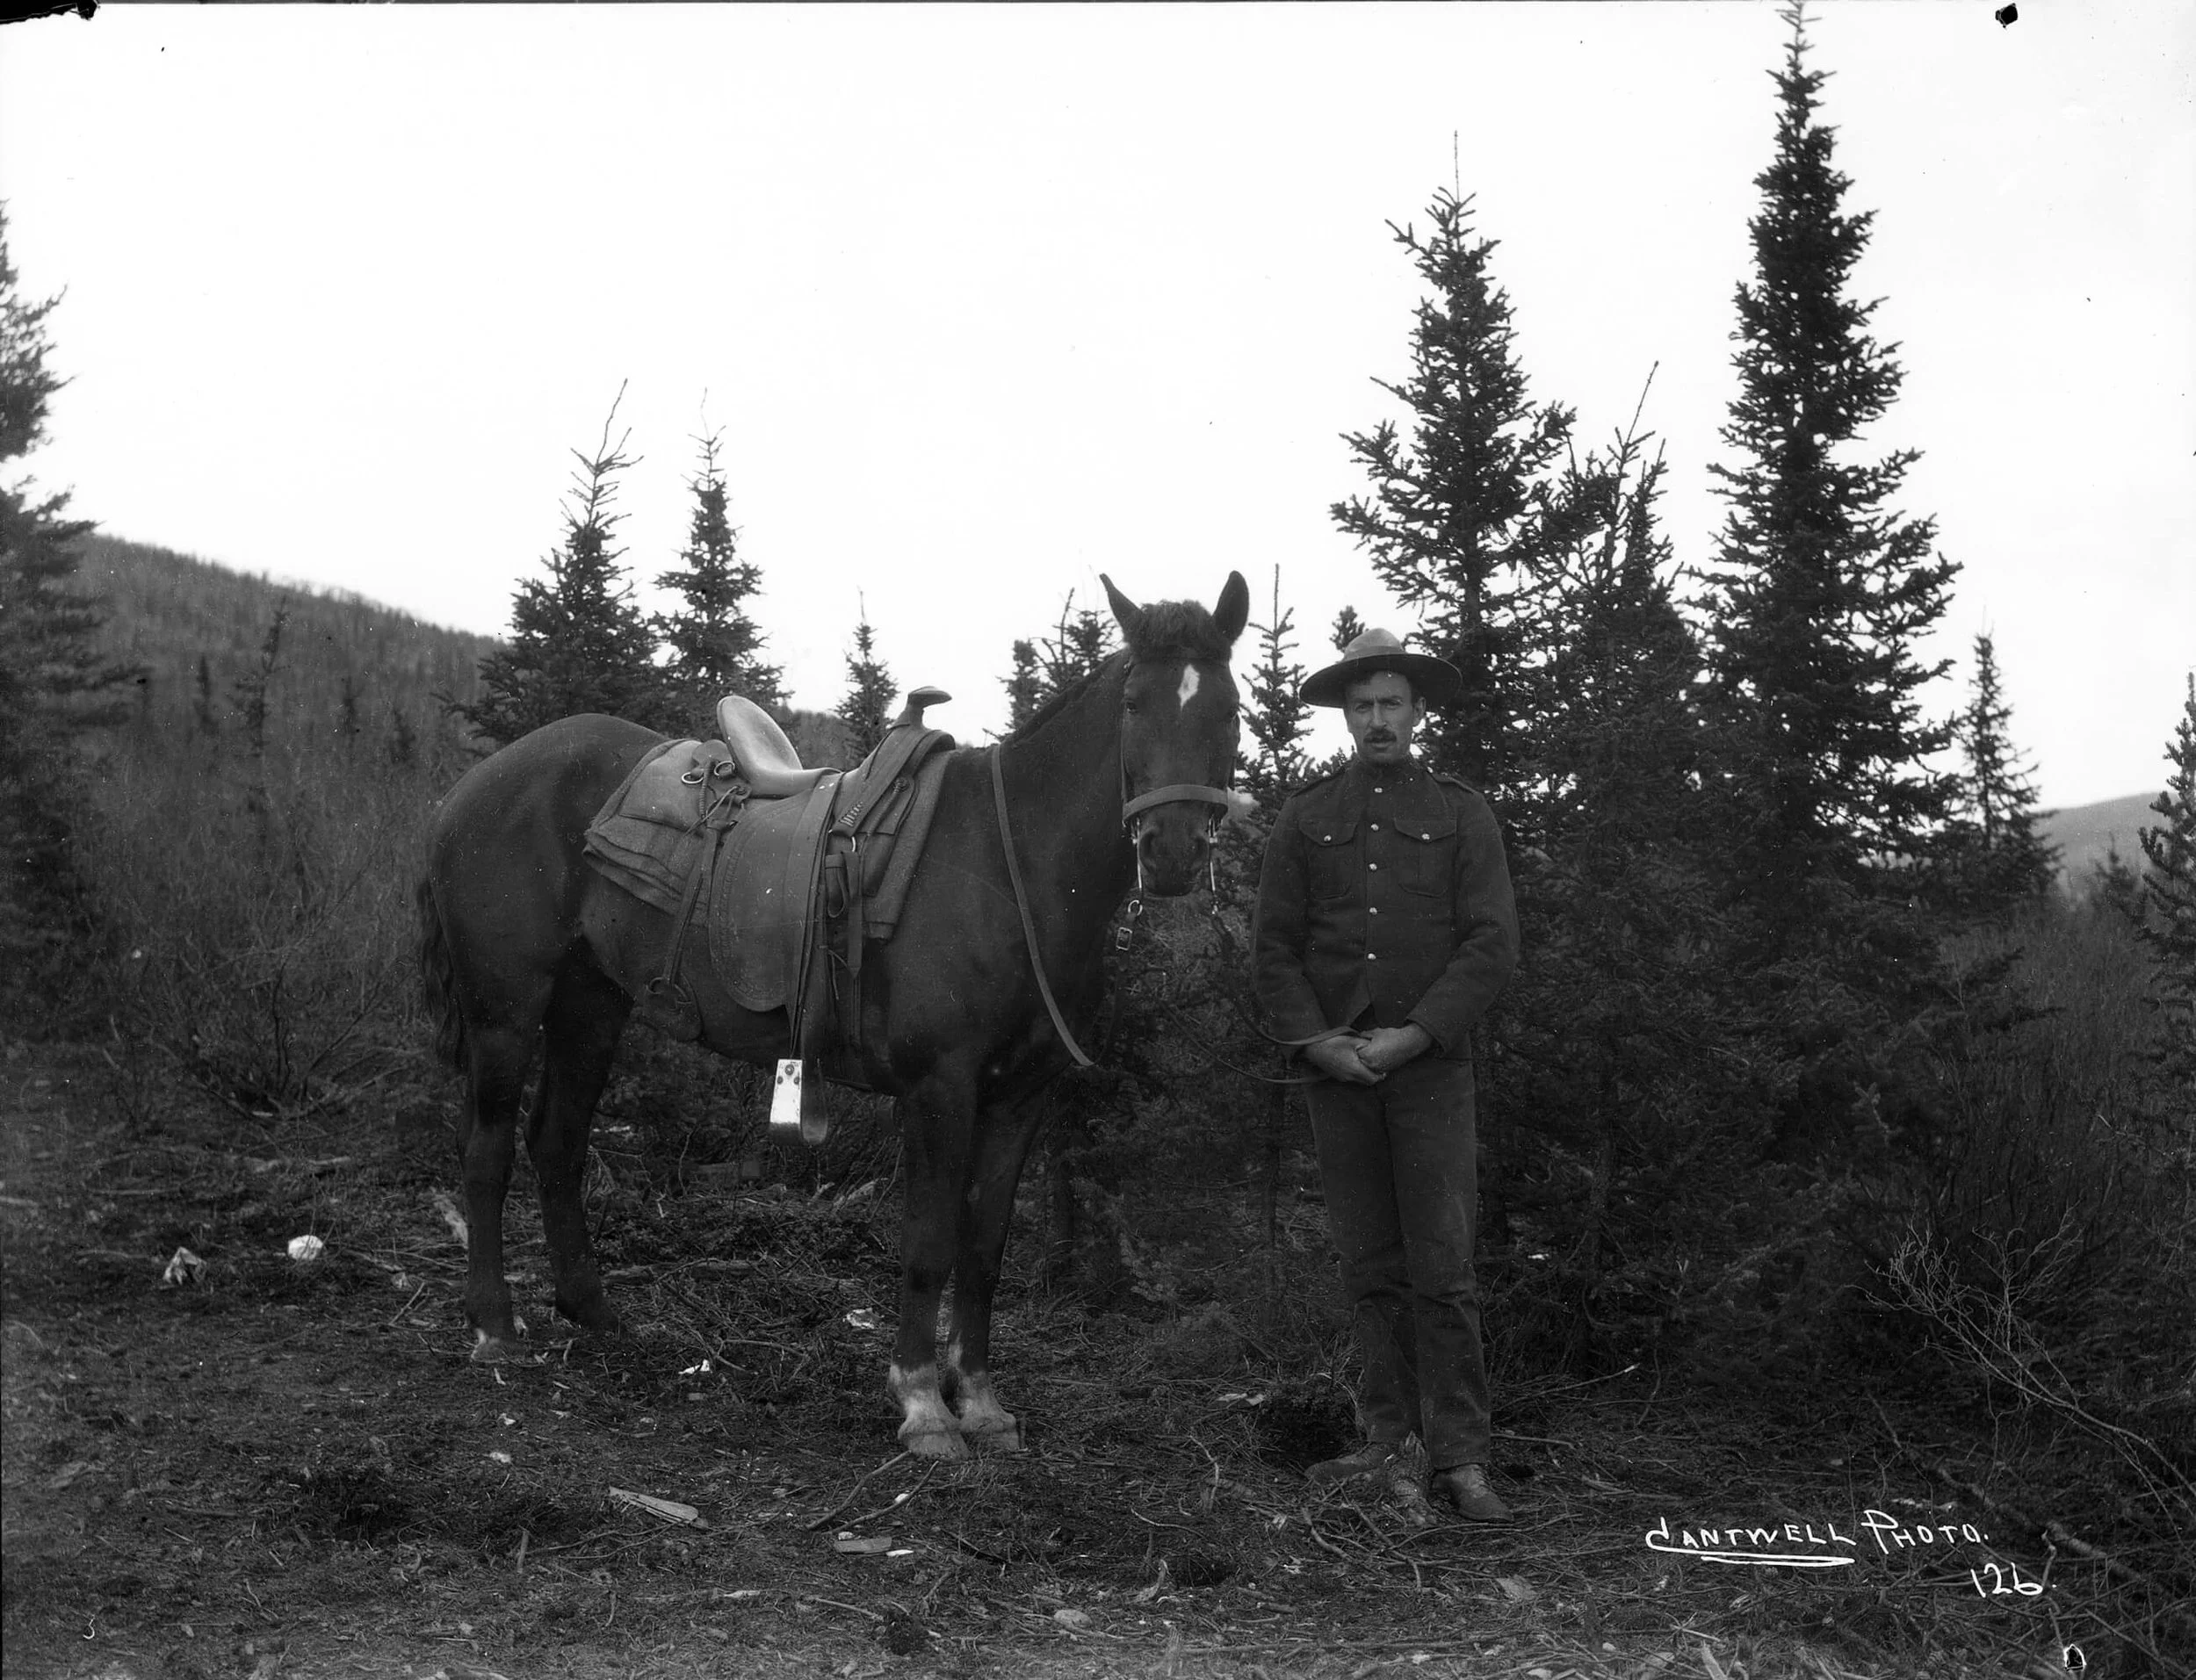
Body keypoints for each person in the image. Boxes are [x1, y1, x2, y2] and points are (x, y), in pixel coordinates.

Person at [1251, 627, 1520, 1522]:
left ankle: (1461, 1456)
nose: (1376, 719)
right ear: (1345, 715)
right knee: (1369, 1264)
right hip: (1338, 1074)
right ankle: (1386, 1441)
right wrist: (1318, 1043)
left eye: (1390, 703)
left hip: (1430, 1073)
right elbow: (1275, 949)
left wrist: (1413, 1036)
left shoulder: (1461, 811)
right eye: (1361, 706)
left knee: (1442, 1268)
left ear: (1416, 710)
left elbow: (1490, 945)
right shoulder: (1304, 814)